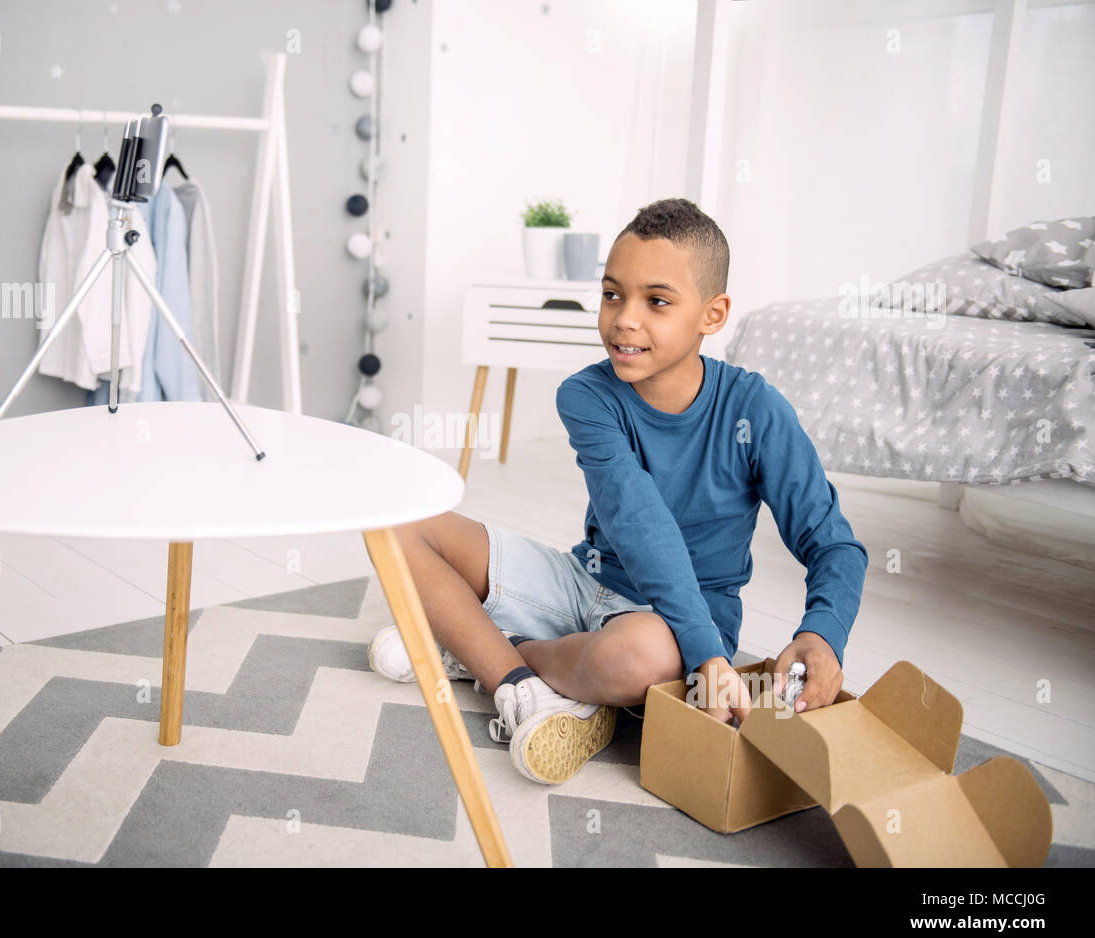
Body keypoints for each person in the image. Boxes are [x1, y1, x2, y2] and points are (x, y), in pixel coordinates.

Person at [366, 197, 869, 786]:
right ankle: (523, 686)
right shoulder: (587, 396)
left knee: (640, 658)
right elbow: (637, 519)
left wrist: (821, 635)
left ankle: (487, 652)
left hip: (677, 625)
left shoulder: (756, 410)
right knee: (394, 527)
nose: (625, 318)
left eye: (656, 301)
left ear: (713, 314)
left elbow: (832, 542)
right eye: (612, 294)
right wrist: (711, 661)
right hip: (585, 583)